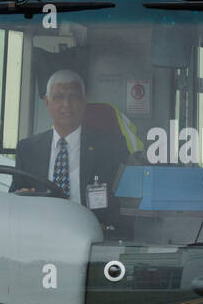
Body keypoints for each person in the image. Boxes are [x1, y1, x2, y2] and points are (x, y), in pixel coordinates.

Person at [12, 70, 129, 230]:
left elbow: (126, 197)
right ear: (47, 102)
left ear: (84, 100)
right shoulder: (28, 148)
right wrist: (22, 195)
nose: (66, 104)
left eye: (73, 96)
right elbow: (14, 195)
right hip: (40, 230)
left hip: (92, 231)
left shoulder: (110, 145)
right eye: (58, 97)